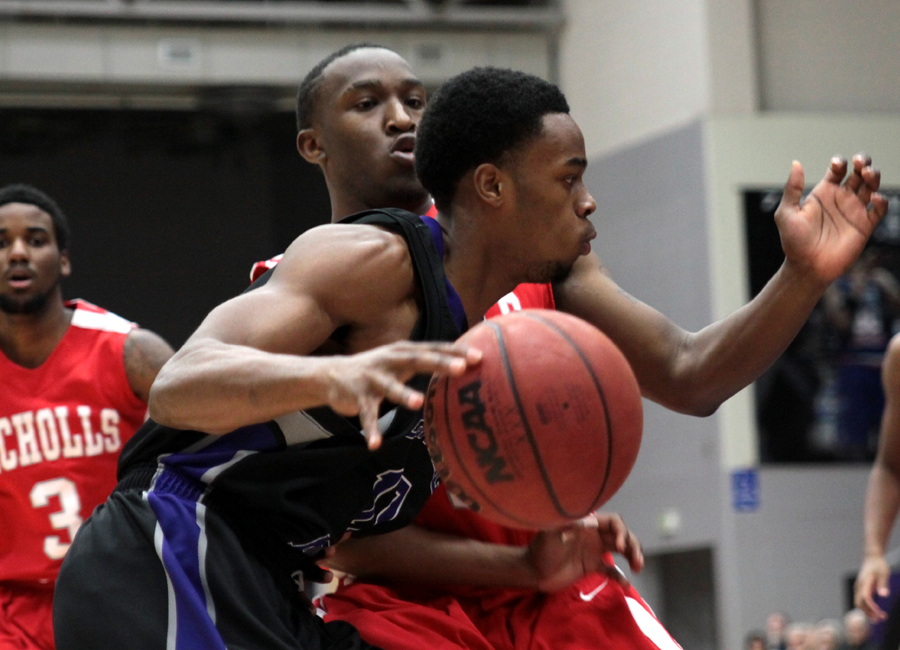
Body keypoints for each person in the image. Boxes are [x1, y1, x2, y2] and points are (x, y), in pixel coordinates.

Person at [54, 62, 885, 650]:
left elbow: (692, 373)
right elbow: (176, 390)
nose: (590, 199)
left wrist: (803, 277)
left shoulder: (535, 284)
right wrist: (334, 374)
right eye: (570, 178)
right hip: (172, 553)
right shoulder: (370, 262)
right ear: (493, 186)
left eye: (416, 97)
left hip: (269, 581)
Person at [0, 184, 174, 650]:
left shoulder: (130, 350)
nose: (17, 253)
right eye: (1, 242)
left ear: (63, 260)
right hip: (12, 613)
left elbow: (208, 455)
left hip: (118, 593)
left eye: (35, 240)